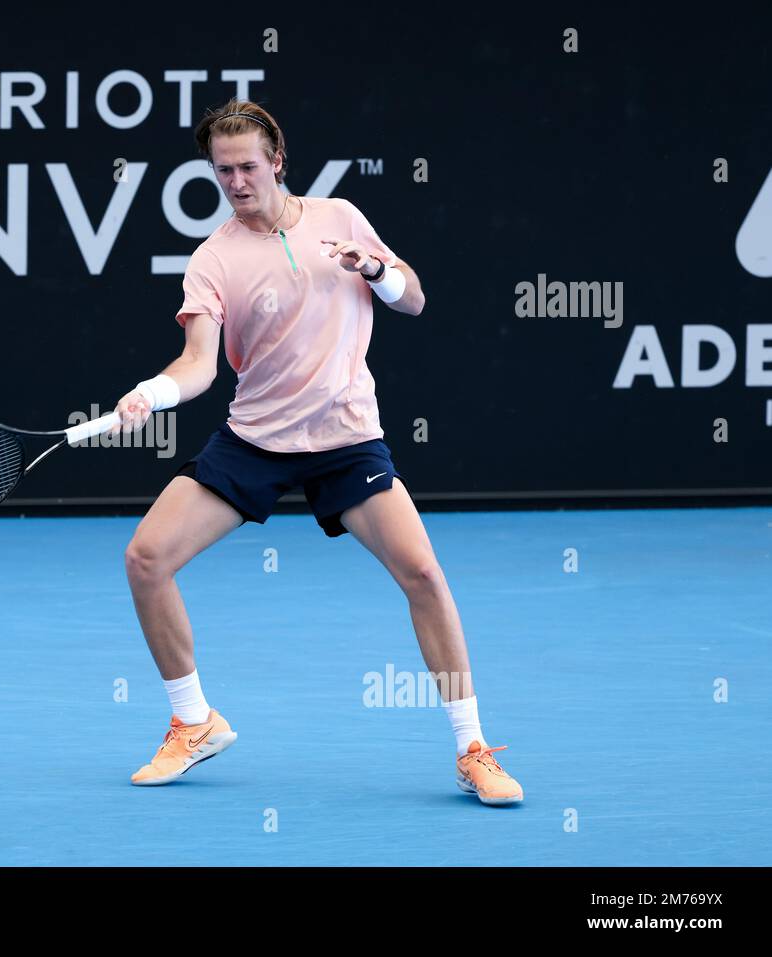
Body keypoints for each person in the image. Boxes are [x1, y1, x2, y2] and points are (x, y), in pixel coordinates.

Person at [112, 99, 522, 805]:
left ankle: (472, 749)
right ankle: (193, 720)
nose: (236, 182)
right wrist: (152, 391)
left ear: (277, 160)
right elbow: (199, 364)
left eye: (247, 166)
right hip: (255, 441)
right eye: (222, 171)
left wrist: (378, 271)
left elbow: (414, 300)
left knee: (423, 573)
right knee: (145, 557)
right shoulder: (213, 258)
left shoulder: (341, 218)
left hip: (346, 439)